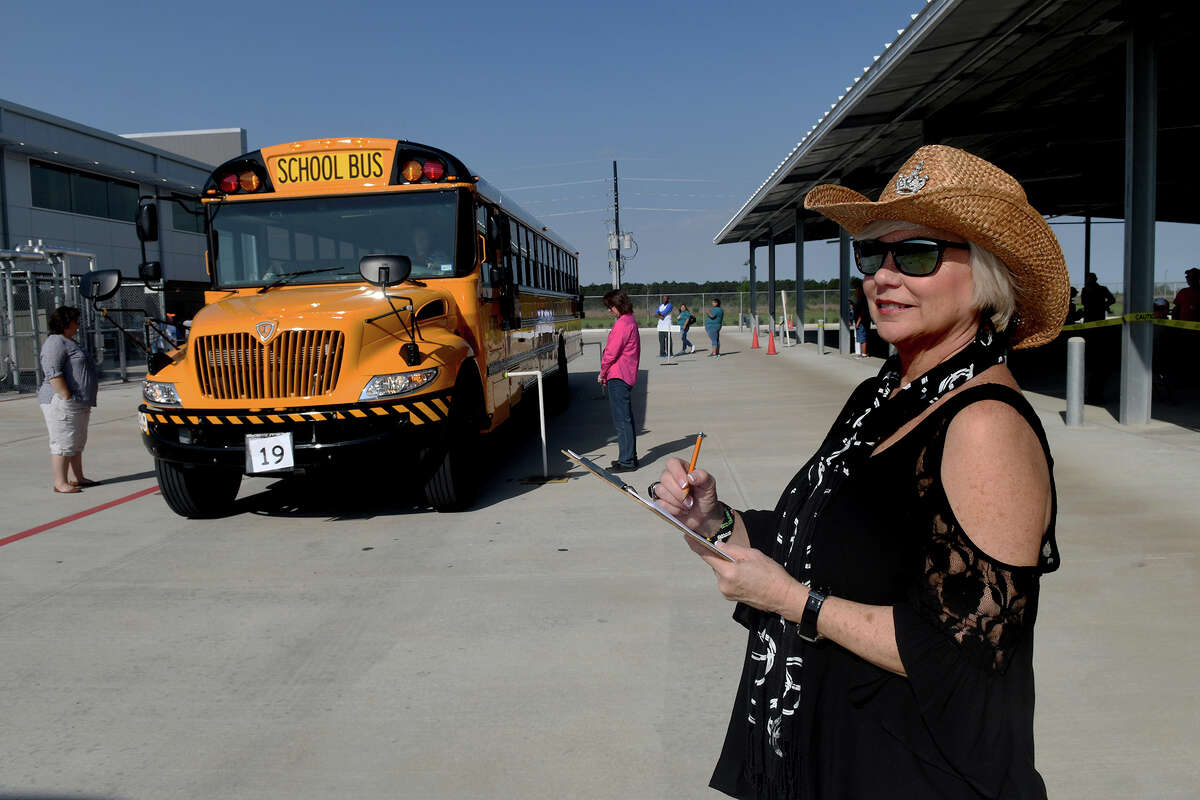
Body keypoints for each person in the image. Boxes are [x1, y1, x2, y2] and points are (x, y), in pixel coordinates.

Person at [652, 145, 1065, 798]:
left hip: (920, 775)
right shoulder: (887, 391)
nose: (883, 277)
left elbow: (969, 653)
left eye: (918, 254)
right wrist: (717, 518)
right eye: (873, 255)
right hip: (840, 749)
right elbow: (823, 535)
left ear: (987, 273)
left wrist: (792, 602)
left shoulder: (984, 424)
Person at [38, 306, 100, 494]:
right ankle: (60, 482)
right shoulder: (55, 342)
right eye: (75, 320)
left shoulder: (70, 341)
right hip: (61, 401)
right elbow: (52, 372)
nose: (78, 324)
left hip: (80, 401)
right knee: (62, 441)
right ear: (65, 323)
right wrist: (66, 396)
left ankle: (77, 477)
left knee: (76, 441)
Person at [599, 289, 640, 472]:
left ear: (618, 305)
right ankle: (629, 456)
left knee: (621, 420)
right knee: (626, 419)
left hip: (619, 375)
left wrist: (603, 371)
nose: (609, 310)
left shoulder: (622, 324)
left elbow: (611, 352)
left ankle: (627, 461)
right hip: (626, 374)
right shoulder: (630, 320)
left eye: (611, 307)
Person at [852, 284, 869, 357]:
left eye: (858, 291)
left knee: (863, 338)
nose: (856, 293)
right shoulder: (859, 300)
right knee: (860, 337)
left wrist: (858, 322)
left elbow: (862, 313)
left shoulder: (862, 301)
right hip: (858, 321)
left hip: (862, 322)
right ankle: (861, 353)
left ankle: (864, 354)